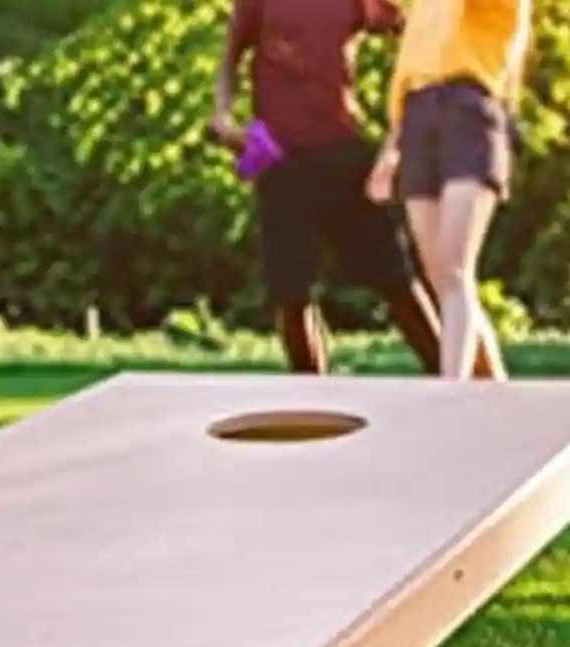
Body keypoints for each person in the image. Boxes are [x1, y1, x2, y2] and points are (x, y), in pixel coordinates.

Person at [208, 0, 487, 376]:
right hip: (281, 160)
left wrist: (412, 114)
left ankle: (447, 381)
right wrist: (223, 115)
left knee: (395, 278)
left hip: (344, 153)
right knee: (291, 294)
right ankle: (310, 396)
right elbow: (230, 58)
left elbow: (411, 30)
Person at [366, 0, 532, 381]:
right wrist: (392, 148)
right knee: (442, 278)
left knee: (454, 267)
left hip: (469, 111)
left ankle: (449, 388)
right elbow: (411, 66)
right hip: (416, 115)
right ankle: (498, 392)